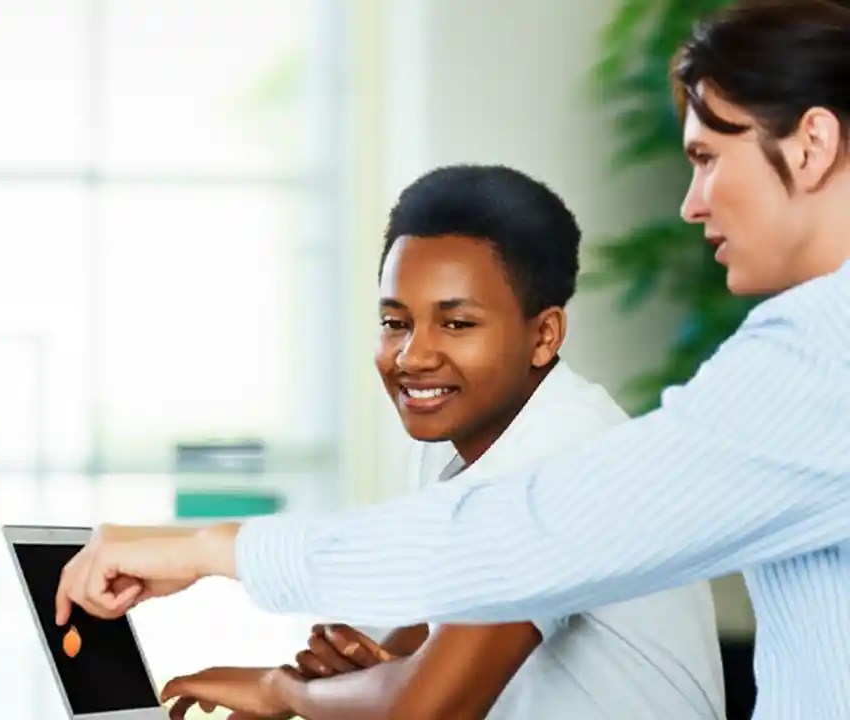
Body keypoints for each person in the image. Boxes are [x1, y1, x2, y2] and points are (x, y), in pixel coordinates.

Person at [55, 2, 850, 717]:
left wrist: (206, 555)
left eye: (708, 157)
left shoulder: (820, 355)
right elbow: (452, 597)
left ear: (812, 144)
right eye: (394, 320)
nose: (691, 202)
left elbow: (519, 540)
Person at [157, 165, 724, 719]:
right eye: (395, 322)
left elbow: (426, 707)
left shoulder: (560, 456)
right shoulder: (454, 445)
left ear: (543, 335)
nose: (413, 357)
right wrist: (354, 675)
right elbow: (425, 645)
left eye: (456, 324)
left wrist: (283, 691)